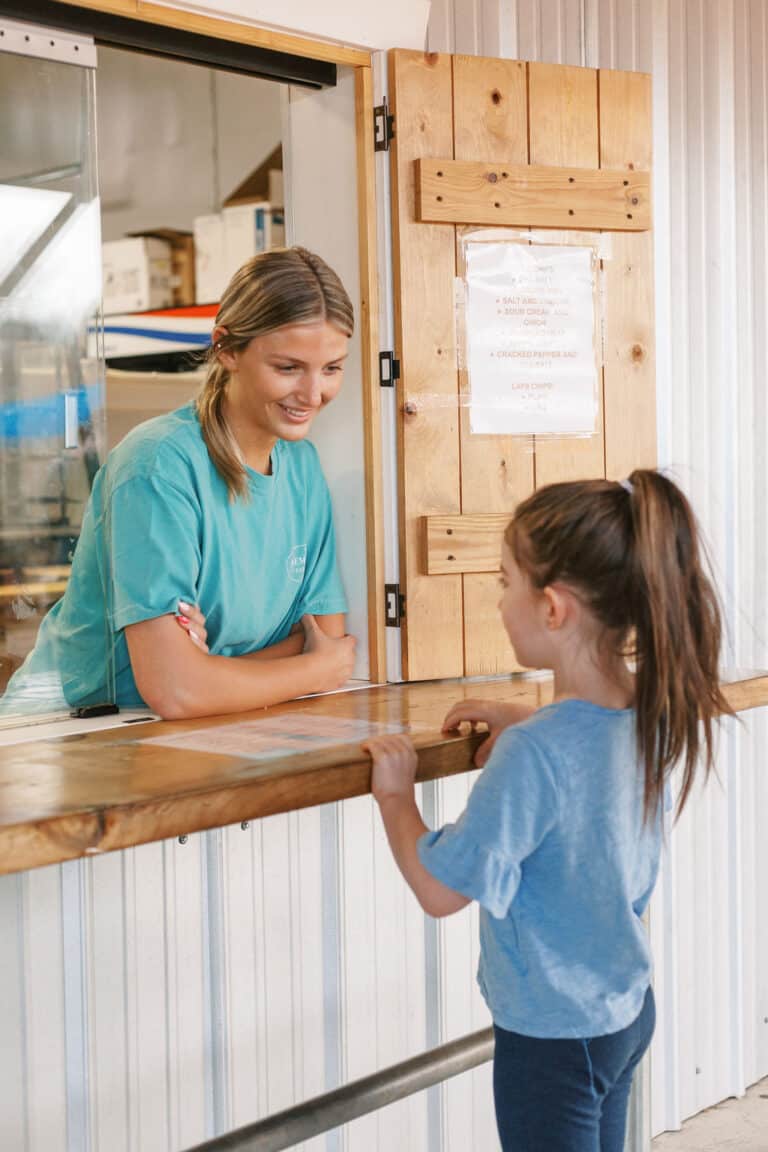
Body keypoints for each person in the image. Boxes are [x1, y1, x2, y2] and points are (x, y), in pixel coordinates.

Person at [362, 470, 733, 1152]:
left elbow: (438, 889)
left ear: (553, 608)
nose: (500, 601)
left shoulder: (534, 753)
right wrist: (525, 718)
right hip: (622, 1010)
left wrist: (395, 796)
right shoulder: (649, 708)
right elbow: (582, 745)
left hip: (554, 1038)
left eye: (505, 582)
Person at [3, 247, 356, 718]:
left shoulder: (302, 467)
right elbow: (176, 691)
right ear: (226, 348)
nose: (313, 394)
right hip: (70, 732)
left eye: (331, 368)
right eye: (288, 368)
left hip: (198, 725)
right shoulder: (157, 466)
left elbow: (325, 638)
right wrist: (310, 672)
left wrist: (207, 672)